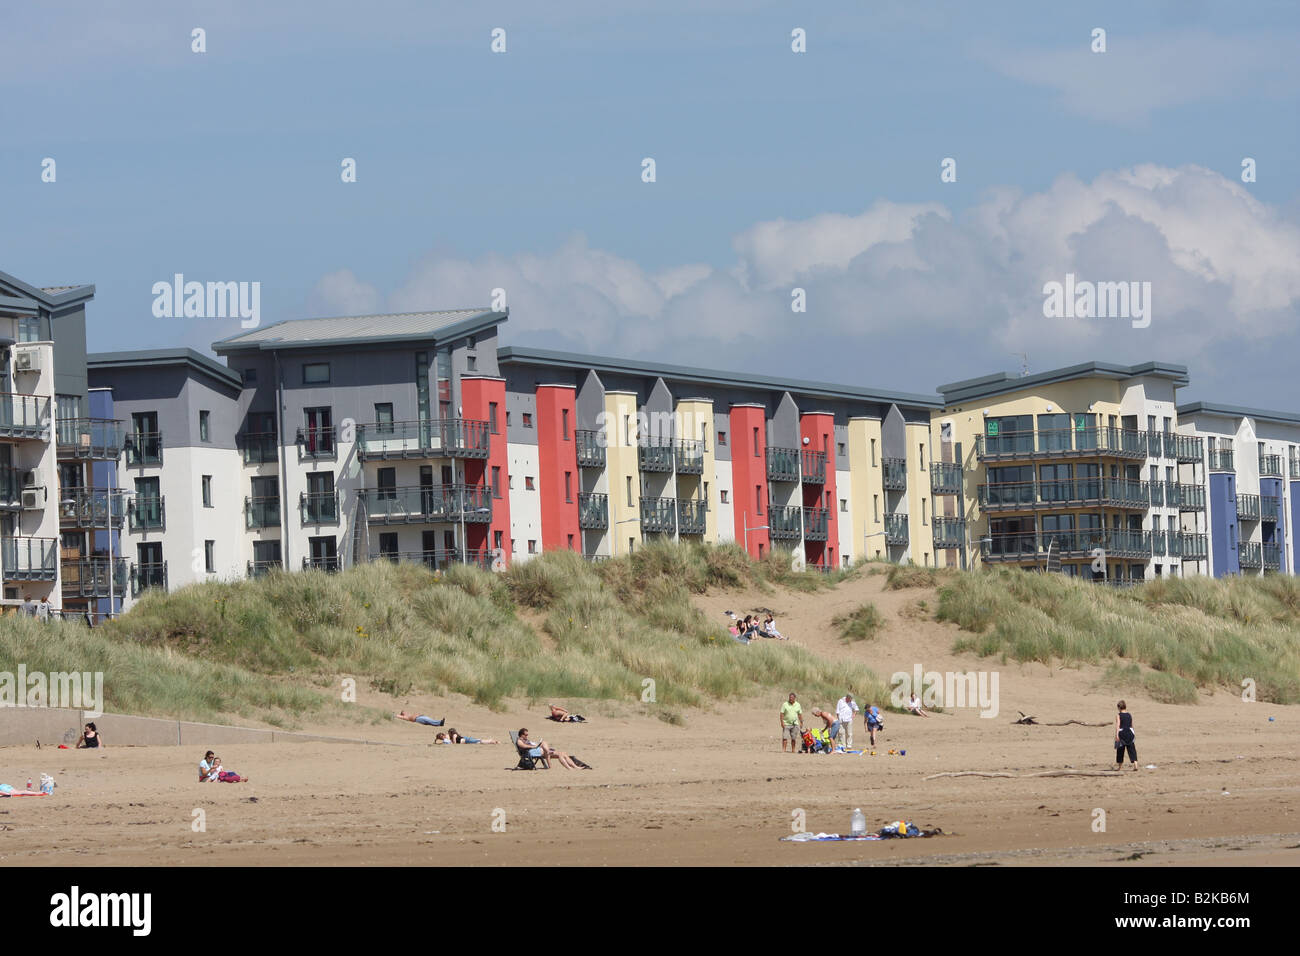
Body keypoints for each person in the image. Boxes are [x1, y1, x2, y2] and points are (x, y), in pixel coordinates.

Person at [517, 728, 588, 770]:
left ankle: (575, 767)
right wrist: (534, 746)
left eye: (527, 734)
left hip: (539, 750)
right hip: (533, 752)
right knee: (545, 744)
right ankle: (569, 768)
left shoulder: (527, 740)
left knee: (563, 753)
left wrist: (537, 744)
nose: (527, 736)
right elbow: (524, 746)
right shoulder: (519, 741)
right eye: (526, 735)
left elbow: (531, 744)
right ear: (521, 735)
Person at [1114, 700, 1138, 771]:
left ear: (1119, 707)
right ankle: (1135, 764)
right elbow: (1131, 725)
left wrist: (1117, 735)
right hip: (1130, 733)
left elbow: (1118, 725)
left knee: (1120, 750)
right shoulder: (1129, 715)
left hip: (1122, 733)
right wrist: (1133, 733)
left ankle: (1120, 767)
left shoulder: (1118, 715)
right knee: (1132, 749)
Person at [435, 729, 499, 744]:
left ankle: (491, 740)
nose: (442, 738)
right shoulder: (450, 736)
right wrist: (436, 740)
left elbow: (454, 742)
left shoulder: (454, 735)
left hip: (466, 740)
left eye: (441, 737)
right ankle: (492, 741)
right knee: (478, 742)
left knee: (479, 741)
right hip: (466, 740)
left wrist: (450, 742)